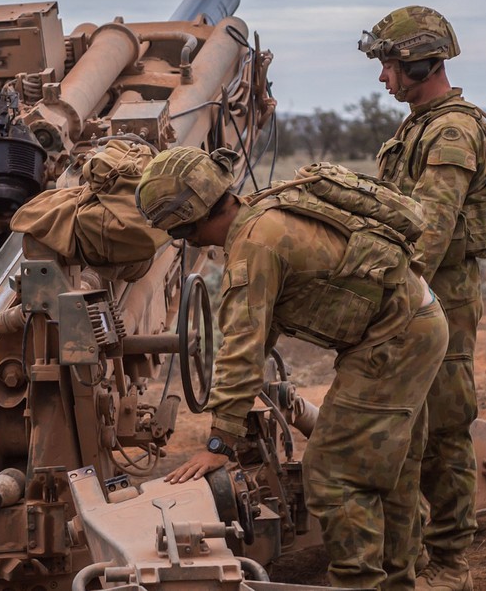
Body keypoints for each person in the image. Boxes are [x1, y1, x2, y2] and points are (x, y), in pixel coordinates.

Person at [139, 146, 448, 590]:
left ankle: (359, 583)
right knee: (391, 467)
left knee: (334, 470)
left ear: (186, 225)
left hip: (396, 336)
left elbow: (242, 347)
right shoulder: (264, 211)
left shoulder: (252, 247)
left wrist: (218, 442)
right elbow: (258, 334)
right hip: (416, 318)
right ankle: (400, 578)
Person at [362, 5, 486, 591]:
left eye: (391, 64)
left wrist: (379, 292)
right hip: (414, 300)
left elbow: (429, 231)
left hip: (436, 303)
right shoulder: (419, 125)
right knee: (407, 429)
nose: (383, 77)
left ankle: (448, 565)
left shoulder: (451, 131)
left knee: (443, 432)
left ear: (423, 61)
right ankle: (413, 551)